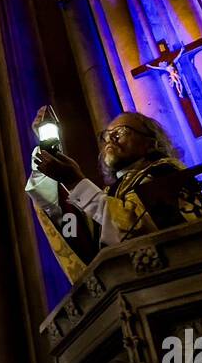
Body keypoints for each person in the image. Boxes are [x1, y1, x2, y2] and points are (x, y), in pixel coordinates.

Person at [25, 108, 186, 282]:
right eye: (106, 135)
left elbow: (135, 226)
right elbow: (75, 226)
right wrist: (47, 152)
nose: (111, 138)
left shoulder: (166, 171)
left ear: (150, 143)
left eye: (122, 131)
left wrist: (75, 182)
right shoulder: (112, 192)